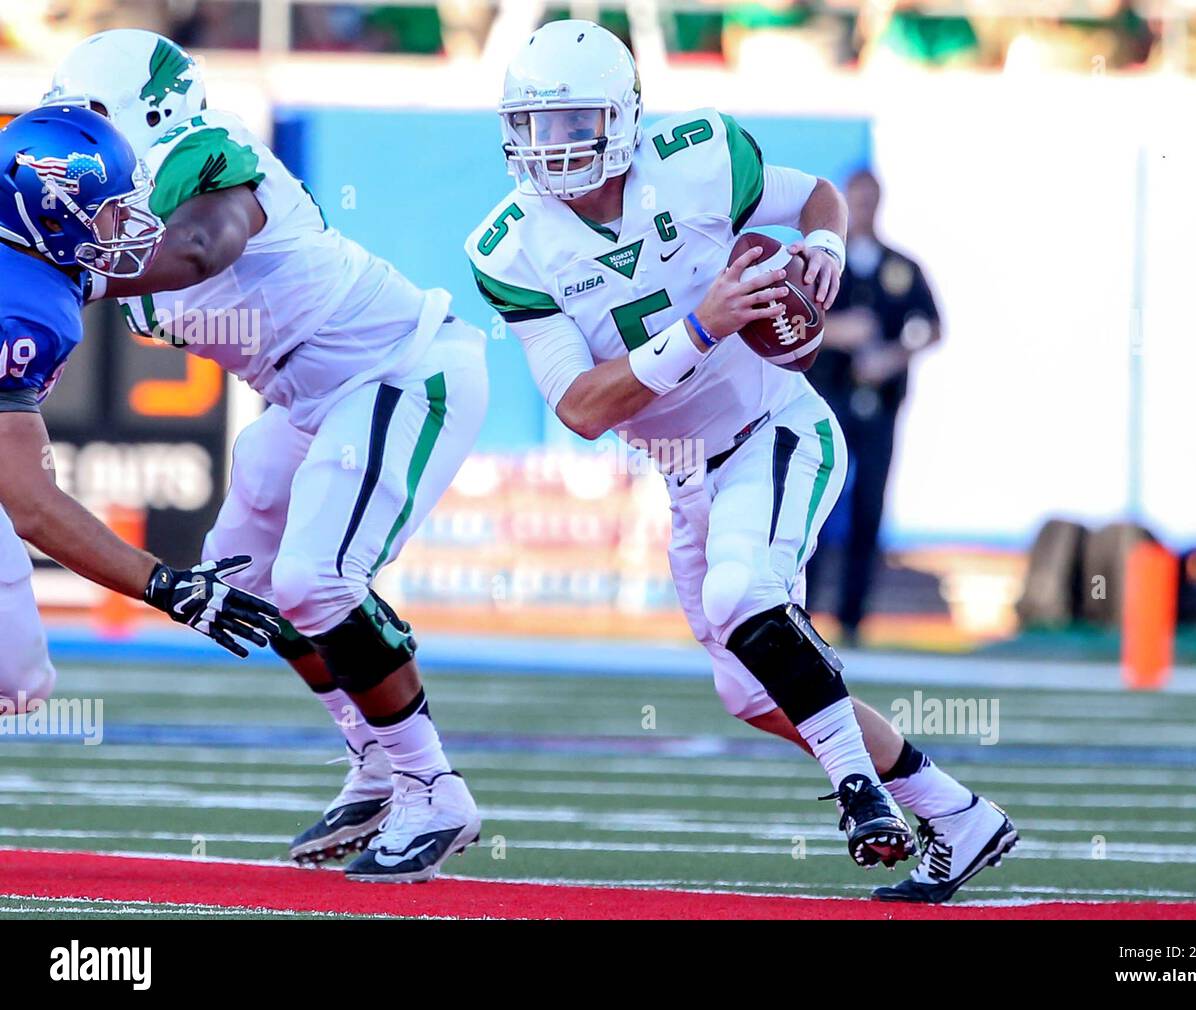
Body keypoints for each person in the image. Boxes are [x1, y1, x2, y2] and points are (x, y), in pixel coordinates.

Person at [465, 19, 1016, 902]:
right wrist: (701, 326)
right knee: (748, 691)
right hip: (688, 475)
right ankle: (957, 815)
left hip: (777, 428)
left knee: (741, 596)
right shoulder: (510, 246)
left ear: (627, 118)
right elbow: (579, 408)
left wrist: (827, 250)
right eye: (535, 126)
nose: (551, 147)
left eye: (574, 124)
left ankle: (859, 794)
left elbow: (817, 199)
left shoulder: (700, 155)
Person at [46, 29, 488, 883]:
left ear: (145, 115)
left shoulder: (209, 152)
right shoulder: (104, 204)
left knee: (316, 579)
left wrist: (73, 267)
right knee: (240, 574)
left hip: (400, 368)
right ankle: (376, 759)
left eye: (90, 119)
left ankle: (434, 786)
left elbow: (201, 248)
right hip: (309, 399)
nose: (76, 144)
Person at [0, 105, 281, 711]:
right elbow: (31, 506)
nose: (123, 224)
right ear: (48, 207)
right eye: (107, 209)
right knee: (13, 679)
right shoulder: (21, 310)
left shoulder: (34, 268)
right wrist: (163, 585)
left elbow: (185, 258)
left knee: (20, 681)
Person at [805, 169, 940, 650]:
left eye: (869, 201)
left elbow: (929, 326)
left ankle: (853, 618)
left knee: (868, 509)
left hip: (879, 407)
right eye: (854, 202)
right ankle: (802, 612)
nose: (862, 210)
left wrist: (893, 356)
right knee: (816, 507)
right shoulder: (818, 263)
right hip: (825, 403)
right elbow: (793, 324)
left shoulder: (900, 267)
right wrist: (839, 331)